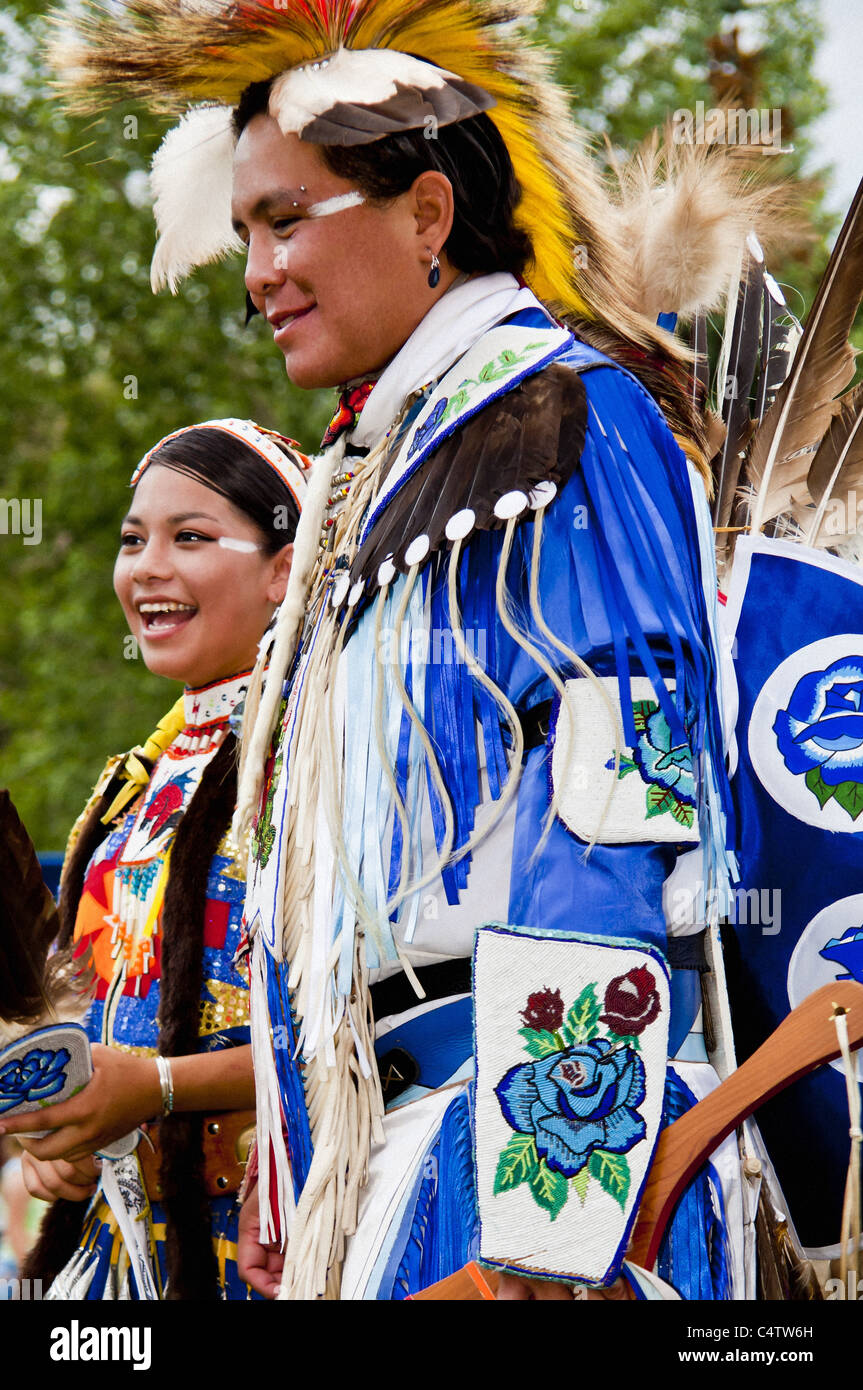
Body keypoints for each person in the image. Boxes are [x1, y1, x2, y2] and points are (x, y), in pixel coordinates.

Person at [52, 0, 740, 1301]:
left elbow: (605, 805)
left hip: (514, 1171)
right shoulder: (382, 475)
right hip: (391, 1166)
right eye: (245, 228)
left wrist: (547, 1238)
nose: (255, 272)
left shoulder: (554, 422)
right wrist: (301, 1166)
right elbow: (339, 895)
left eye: (288, 218)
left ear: (426, 215)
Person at [0, 420, 307, 1300]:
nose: (147, 567)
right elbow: (85, 1019)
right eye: (133, 540)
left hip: (270, 1247)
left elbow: (360, 1039)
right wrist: (56, 1143)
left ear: (283, 570)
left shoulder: (325, 767)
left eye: (191, 538)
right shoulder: (127, 791)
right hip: (122, 1259)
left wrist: (159, 1088)